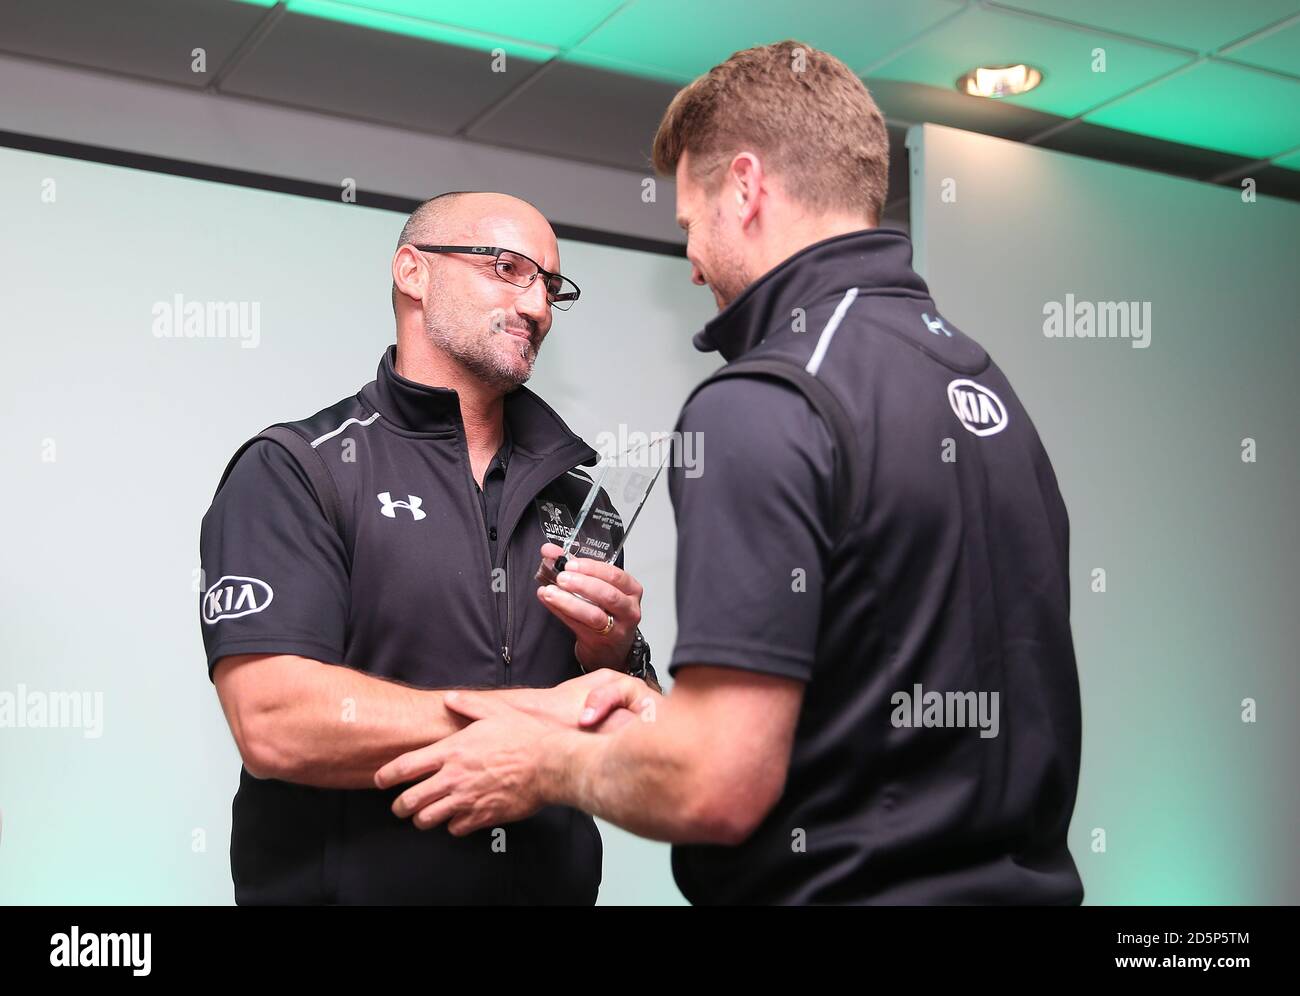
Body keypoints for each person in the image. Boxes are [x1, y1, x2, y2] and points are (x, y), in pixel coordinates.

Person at [377, 43, 1085, 905]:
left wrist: (547, 759)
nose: (694, 262)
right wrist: (663, 717)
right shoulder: (982, 387)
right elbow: (878, 697)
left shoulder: (763, 401)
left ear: (744, 188)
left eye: (687, 224)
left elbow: (718, 786)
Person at [199, 191, 656, 905]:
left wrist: (616, 654)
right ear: (413, 272)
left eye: (550, 286)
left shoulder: (578, 503)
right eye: (508, 268)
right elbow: (273, 721)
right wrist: (537, 722)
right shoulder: (296, 468)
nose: (537, 305)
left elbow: (645, 741)